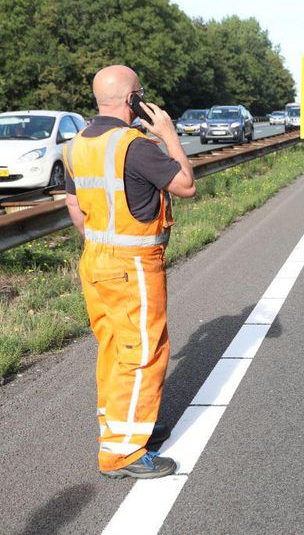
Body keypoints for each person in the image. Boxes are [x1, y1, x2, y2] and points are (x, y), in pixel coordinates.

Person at [64, 65, 196, 479]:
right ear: (132, 99)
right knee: (142, 353)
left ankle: (125, 425)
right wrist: (169, 134)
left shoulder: (76, 145)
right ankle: (122, 452)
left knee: (113, 350)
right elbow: (186, 185)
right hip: (132, 265)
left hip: (96, 260)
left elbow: (75, 210)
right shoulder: (135, 145)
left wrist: (105, 239)